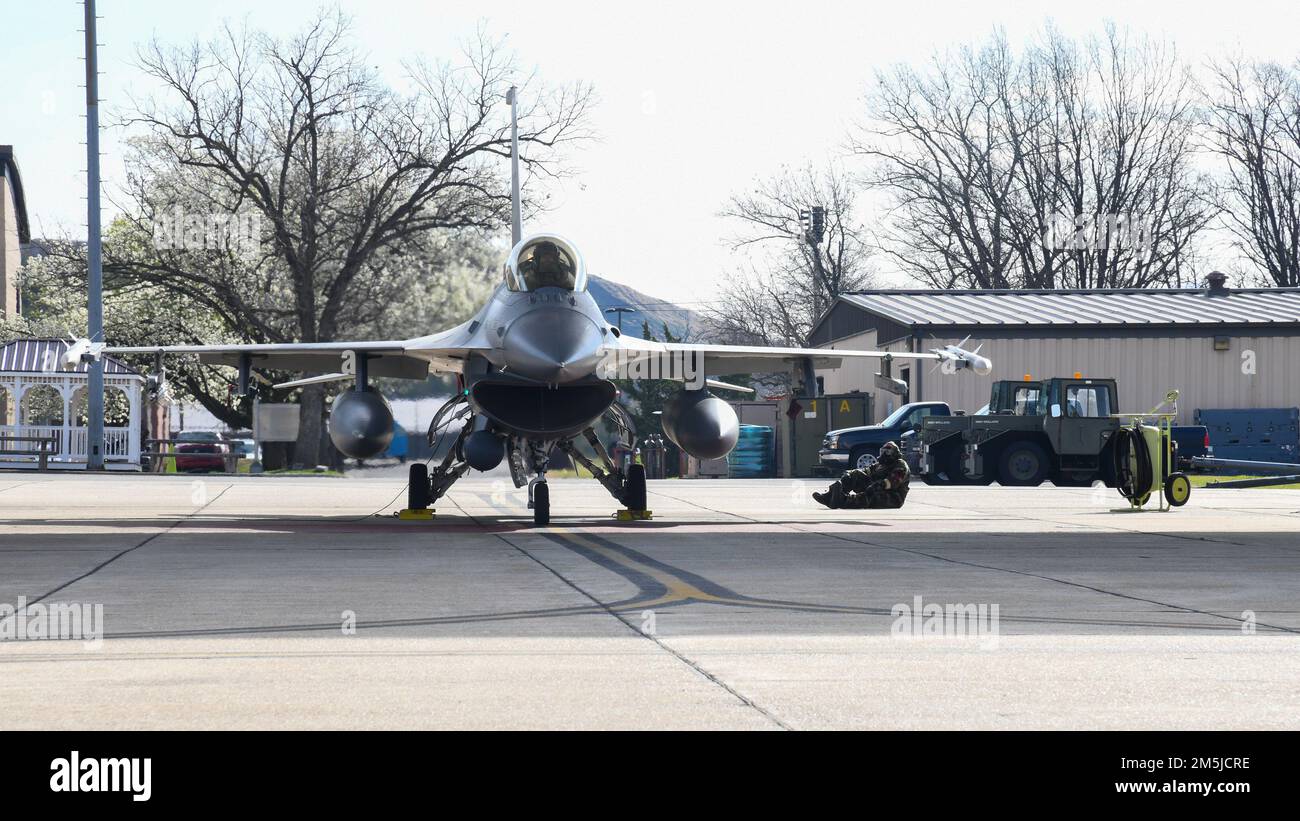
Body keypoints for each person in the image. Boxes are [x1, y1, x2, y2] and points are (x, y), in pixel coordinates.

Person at [813, 441, 911, 509]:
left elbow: (893, 482)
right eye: (883, 451)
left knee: (869, 496)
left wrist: (876, 486)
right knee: (855, 475)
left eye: (888, 451)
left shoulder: (900, 465)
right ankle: (830, 496)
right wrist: (849, 475)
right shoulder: (880, 465)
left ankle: (843, 500)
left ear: (894, 453)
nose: (884, 453)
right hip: (876, 488)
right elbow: (866, 471)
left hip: (893, 497)